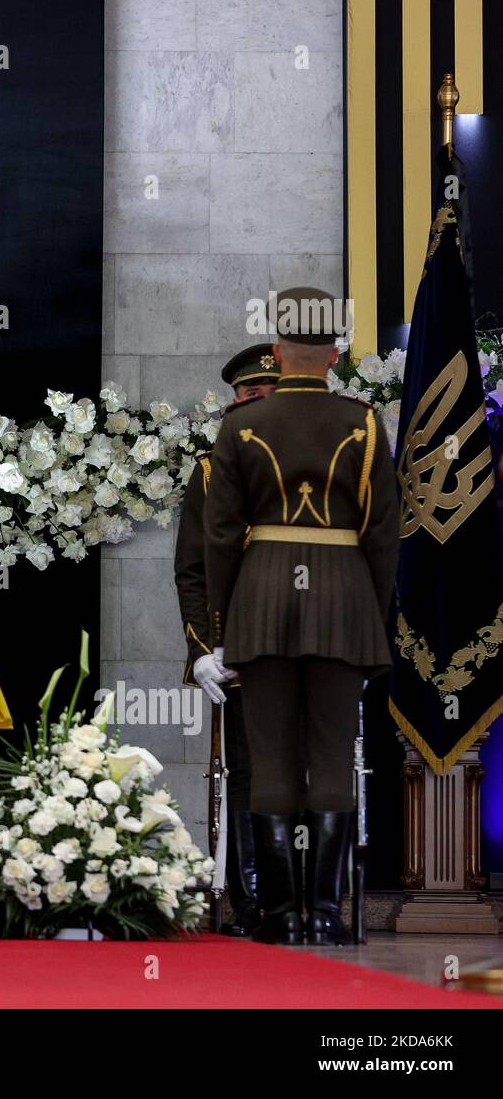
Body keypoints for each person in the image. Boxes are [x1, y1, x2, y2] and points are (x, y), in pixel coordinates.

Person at [204, 288, 398, 945]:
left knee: (271, 760)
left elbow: (222, 539)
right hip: (344, 599)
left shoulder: (237, 426)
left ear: (280, 351)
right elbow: (380, 536)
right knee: (334, 757)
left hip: (260, 599)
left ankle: (281, 920)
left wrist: (229, 621)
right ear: (336, 354)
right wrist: (369, 613)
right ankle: (326, 914)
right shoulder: (364, 423)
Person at [174, 344, 278, 936]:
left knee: (310, 770)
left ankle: (302, 902)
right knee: (245, 771)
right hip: (236, 648)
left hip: (300, 644)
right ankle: (248, 902)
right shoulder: (210, 471)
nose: (248, 407)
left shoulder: (309, 464)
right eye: (242, 399)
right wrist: (202, 649)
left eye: (260, 397)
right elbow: (192, 569)